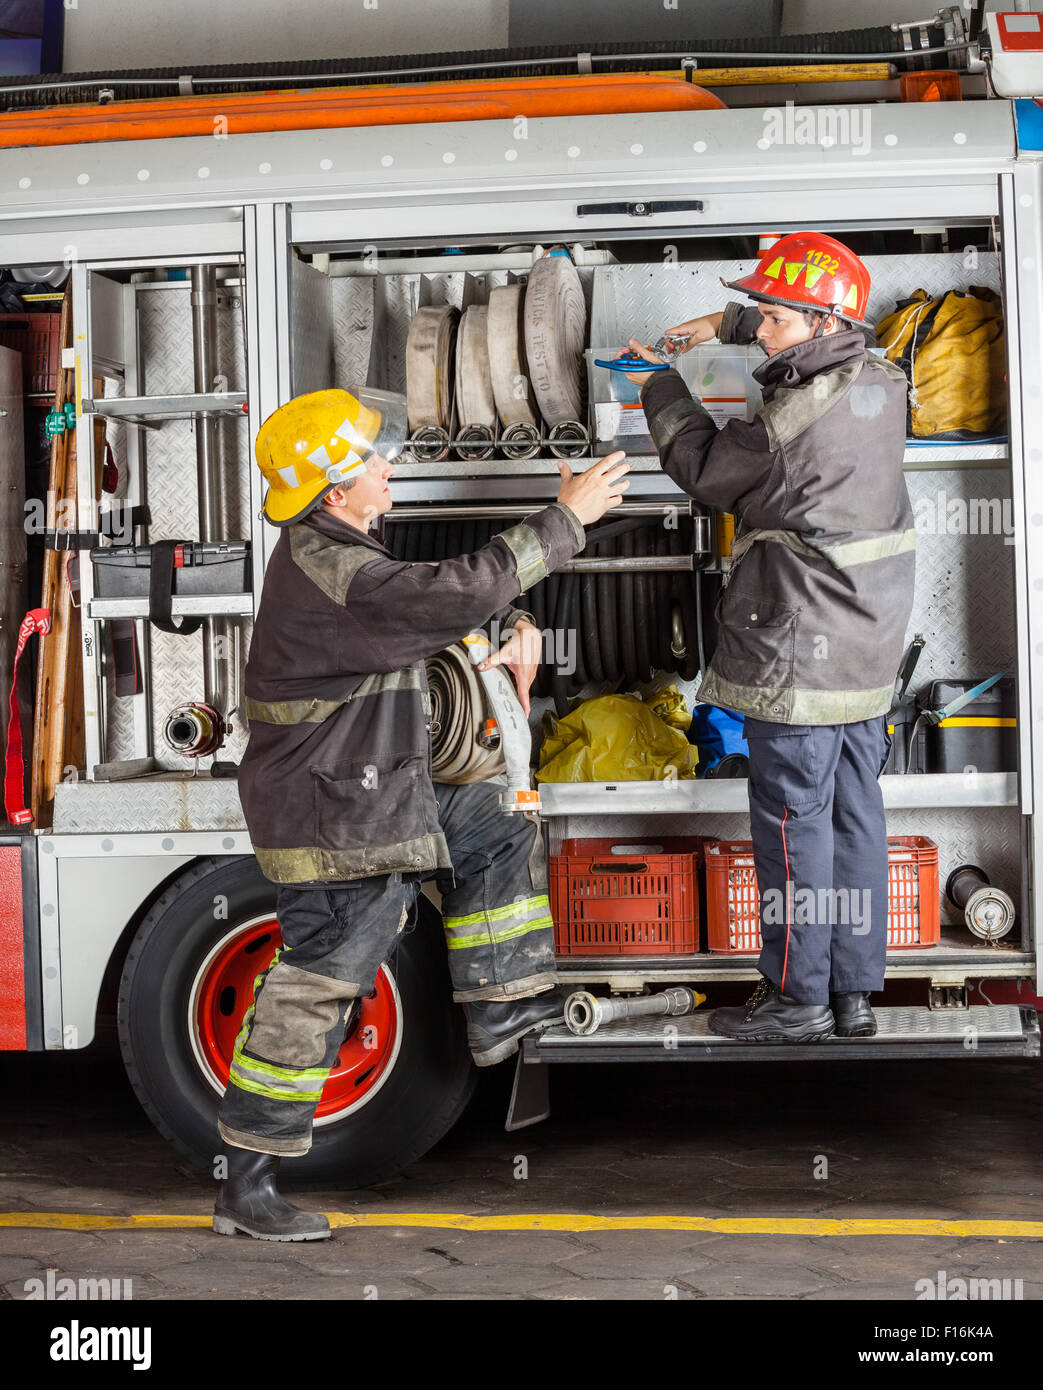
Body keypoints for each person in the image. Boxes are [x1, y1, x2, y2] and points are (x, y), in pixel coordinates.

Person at [213, 385, 629, 1241]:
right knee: (319, 985)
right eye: (372, 459)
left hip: (365, 788)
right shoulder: (334, 567)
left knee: (492, 814)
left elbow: (430, 617)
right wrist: (564, 520)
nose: (388, 465)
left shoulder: (339, 549)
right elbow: (431, 598)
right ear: (335, 489)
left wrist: (507, 626)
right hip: (333, 819)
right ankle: (246, 1180)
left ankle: (502, 1004)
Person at [623, 232, 914, 1045]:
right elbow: (788, 334)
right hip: (863, 649)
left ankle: (795, 999)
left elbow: (707, 471)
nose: (767, 330)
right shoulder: (880, 375)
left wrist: (657, 383)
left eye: (778, 319)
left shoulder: (789, 416)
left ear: (820, 322)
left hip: (798, 650)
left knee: (790, 829)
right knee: (854, 817)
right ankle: (852, 993)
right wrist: (720, 325)